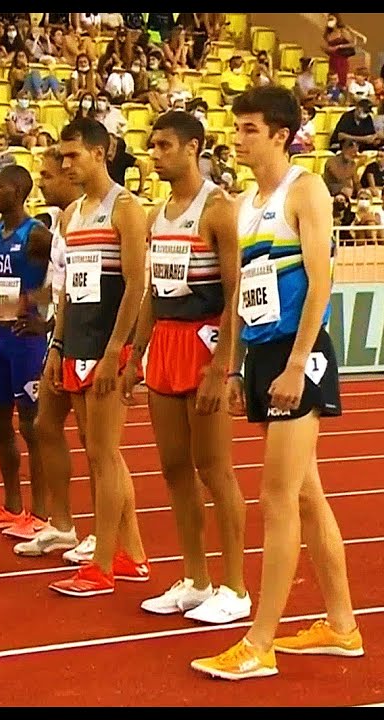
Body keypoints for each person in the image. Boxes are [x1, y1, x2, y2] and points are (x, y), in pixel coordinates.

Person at [191, 85, 359, 680]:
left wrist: (296, 363)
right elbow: (243, 295)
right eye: (236, 128)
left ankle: (259, 644)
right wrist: (237, 368)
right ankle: (341, 627)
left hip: (298, 354)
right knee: (307, 495)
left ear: (281, 134)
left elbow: (320, 281)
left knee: (278, 497)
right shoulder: (241, 205)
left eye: (249, 129)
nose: (237, 138)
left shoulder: (304, 189)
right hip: (262, 355)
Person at [122, 110, 250, 624]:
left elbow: (237, 289)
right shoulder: (157, 215)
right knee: (175, 469)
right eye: (152, 146)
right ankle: (196, 579)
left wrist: (224, 363)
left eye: (164, 146)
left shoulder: (218, 210)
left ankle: (236, 587)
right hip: (165, 347)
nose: (155, 155)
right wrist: (136, 353)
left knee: (215, 470)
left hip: (205, 343)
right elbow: (153, 292)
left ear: (194, 147)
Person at [13, 118, 149, 598]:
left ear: (101, 152)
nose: (66, 165)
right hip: (76, 345)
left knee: (104, 454)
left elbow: (138, 283)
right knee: (93, 450)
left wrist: (118, 349)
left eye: (73, 156)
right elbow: (70, 288)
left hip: (110, 346)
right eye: (62, 157)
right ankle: (130, 554)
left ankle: (104, 564)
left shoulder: (127, 209)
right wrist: (57, 344)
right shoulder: (73, 216)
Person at [0, 165, 55, 533]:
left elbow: (66, 276)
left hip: (26, 340)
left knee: (32, 426)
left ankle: (41, 512)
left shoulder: (36, 235)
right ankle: (12, 505)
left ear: (18, 192)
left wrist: (46, 319)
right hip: (0, 337)